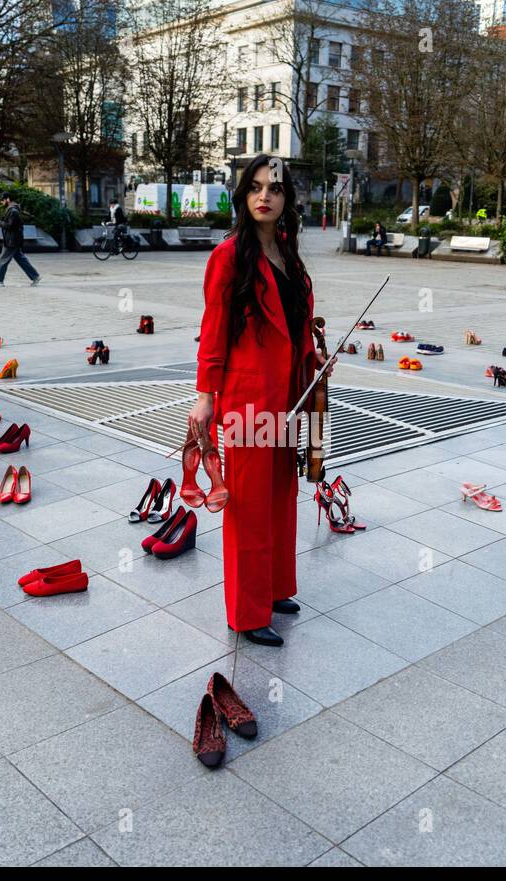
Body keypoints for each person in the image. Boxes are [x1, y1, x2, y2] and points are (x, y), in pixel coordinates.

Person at [190, 154, 332, 647]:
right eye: (254, 188)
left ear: (288, 199)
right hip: (248, 397)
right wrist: (204, 396)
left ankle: (272, 589)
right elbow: (213, 331)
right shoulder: (228, 256)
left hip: (291, 391)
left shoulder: (290, 257)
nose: (263, 196)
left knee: (280, 494)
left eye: (274, 188)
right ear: (243, 195)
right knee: (247, 504)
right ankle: (246, 613)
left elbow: (295, 326)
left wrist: (313, 356)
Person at [0, 196, 40, 286]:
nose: (1, 203)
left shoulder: (13, 211)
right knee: (21, 260)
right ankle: (35, 276)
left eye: (2, 201)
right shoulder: (12, 210)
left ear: (7, 199)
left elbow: (9, 226)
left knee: (3, 259)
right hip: (12, 239)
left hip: (12, 241)